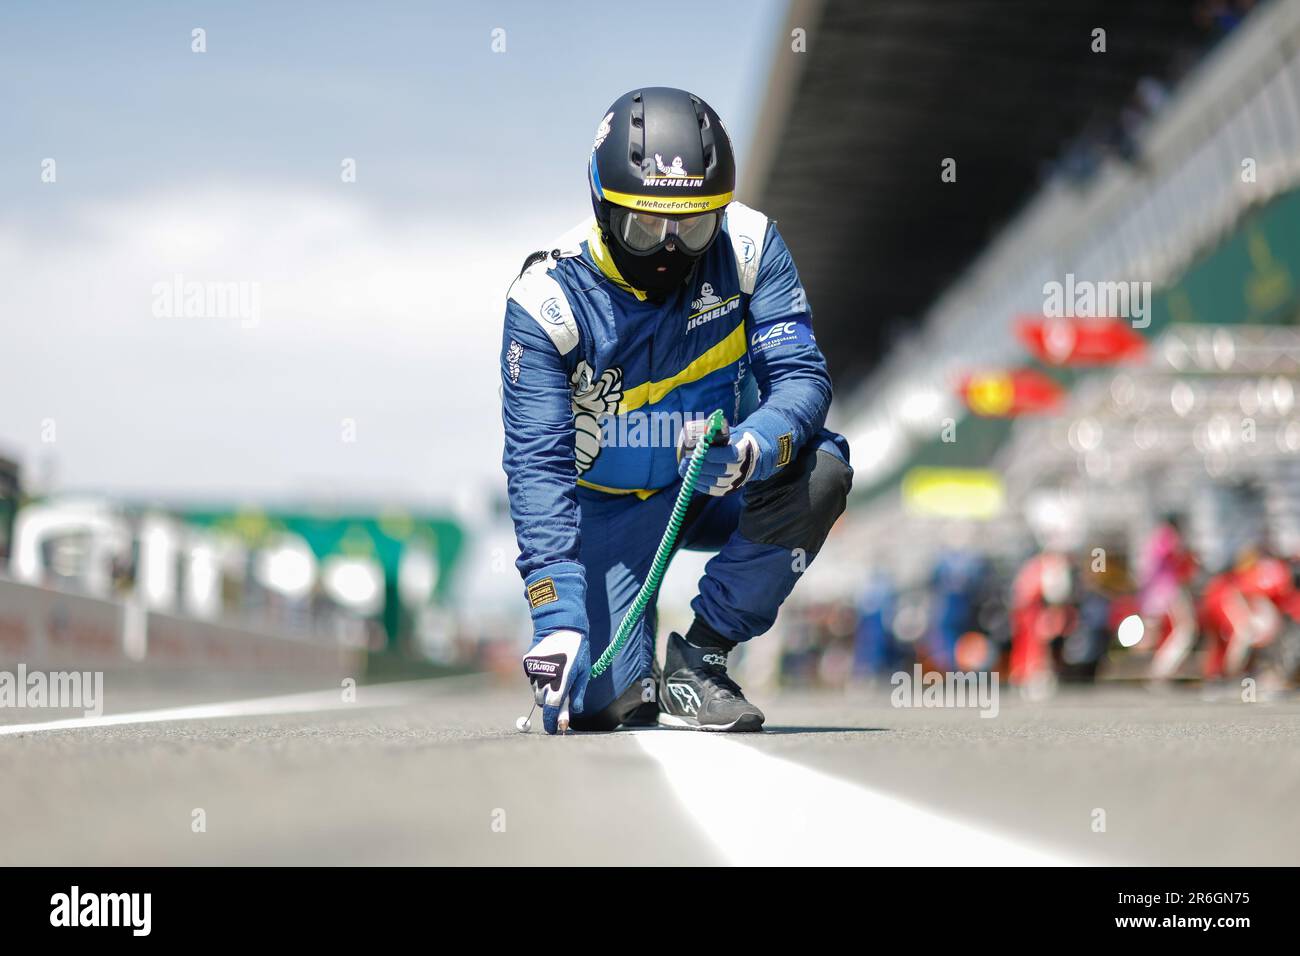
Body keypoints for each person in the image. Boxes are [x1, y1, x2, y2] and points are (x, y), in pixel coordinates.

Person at [501, 88, 852, 734]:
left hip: (713, 481)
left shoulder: (750, 246)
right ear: (602, 206)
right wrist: (556, 614)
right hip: (609, 506)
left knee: (823, 469)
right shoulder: (545, 303)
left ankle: (702, 657)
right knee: (607, 706)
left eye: (693, 226)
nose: (669, 249)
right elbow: (537, 469)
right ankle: (630, 669)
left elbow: (802, 379)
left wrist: (751, 446)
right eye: (646, 226)